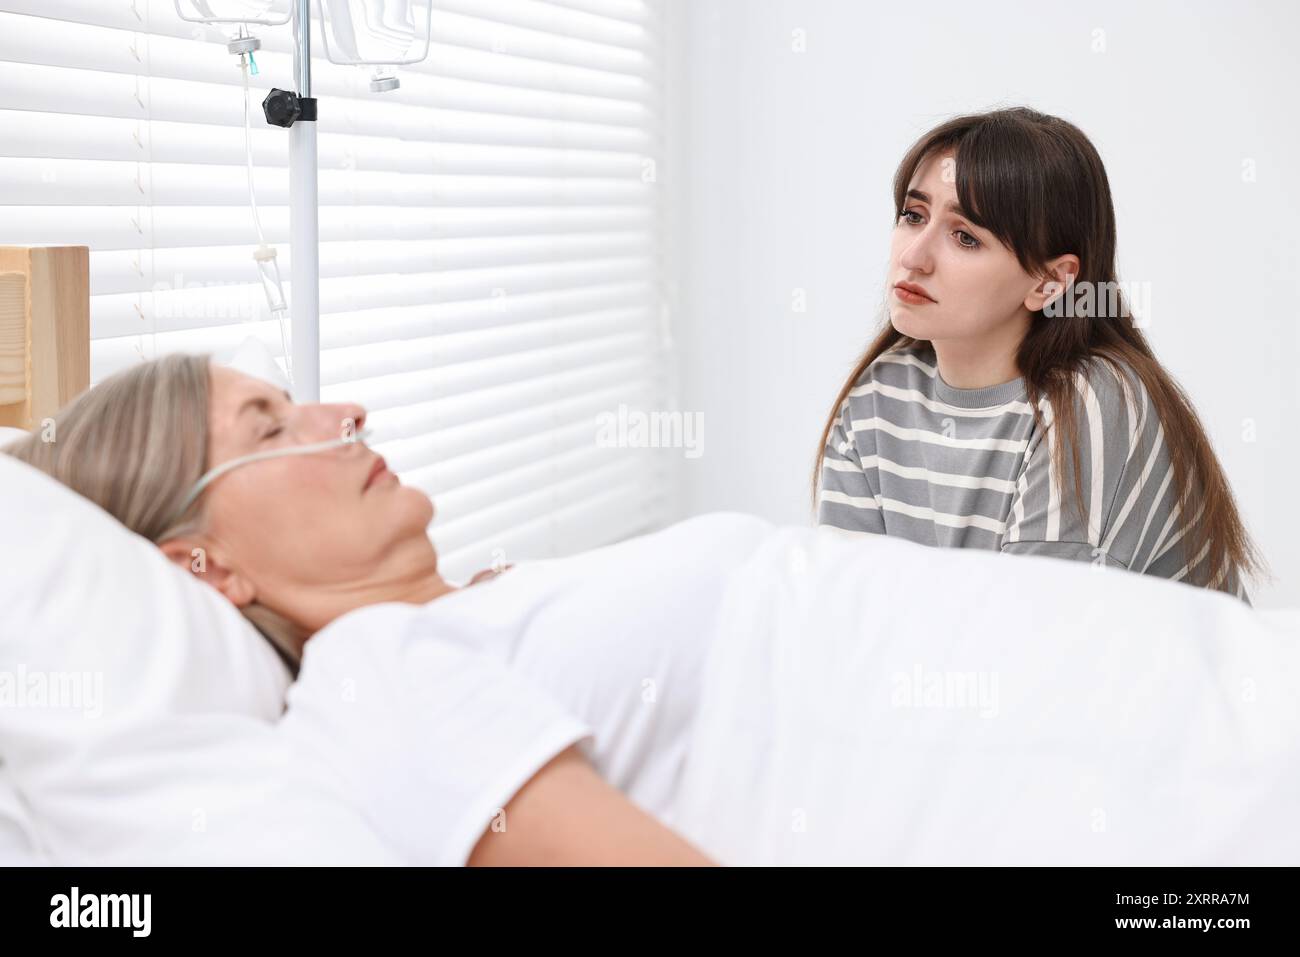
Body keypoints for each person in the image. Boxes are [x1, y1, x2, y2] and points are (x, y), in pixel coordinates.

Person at [6, 355, 771, 865]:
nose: (347, 413)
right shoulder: (375, 671)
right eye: (269, 425)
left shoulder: (460, 627)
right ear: (208, 567)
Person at [812, 106, 1267, 602]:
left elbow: (1035, 636)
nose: (913, 257)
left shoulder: (1092, 403)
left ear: (1051, 282)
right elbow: (846, 613)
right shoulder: (881, 392)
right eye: (913, 215)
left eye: (965, 237)